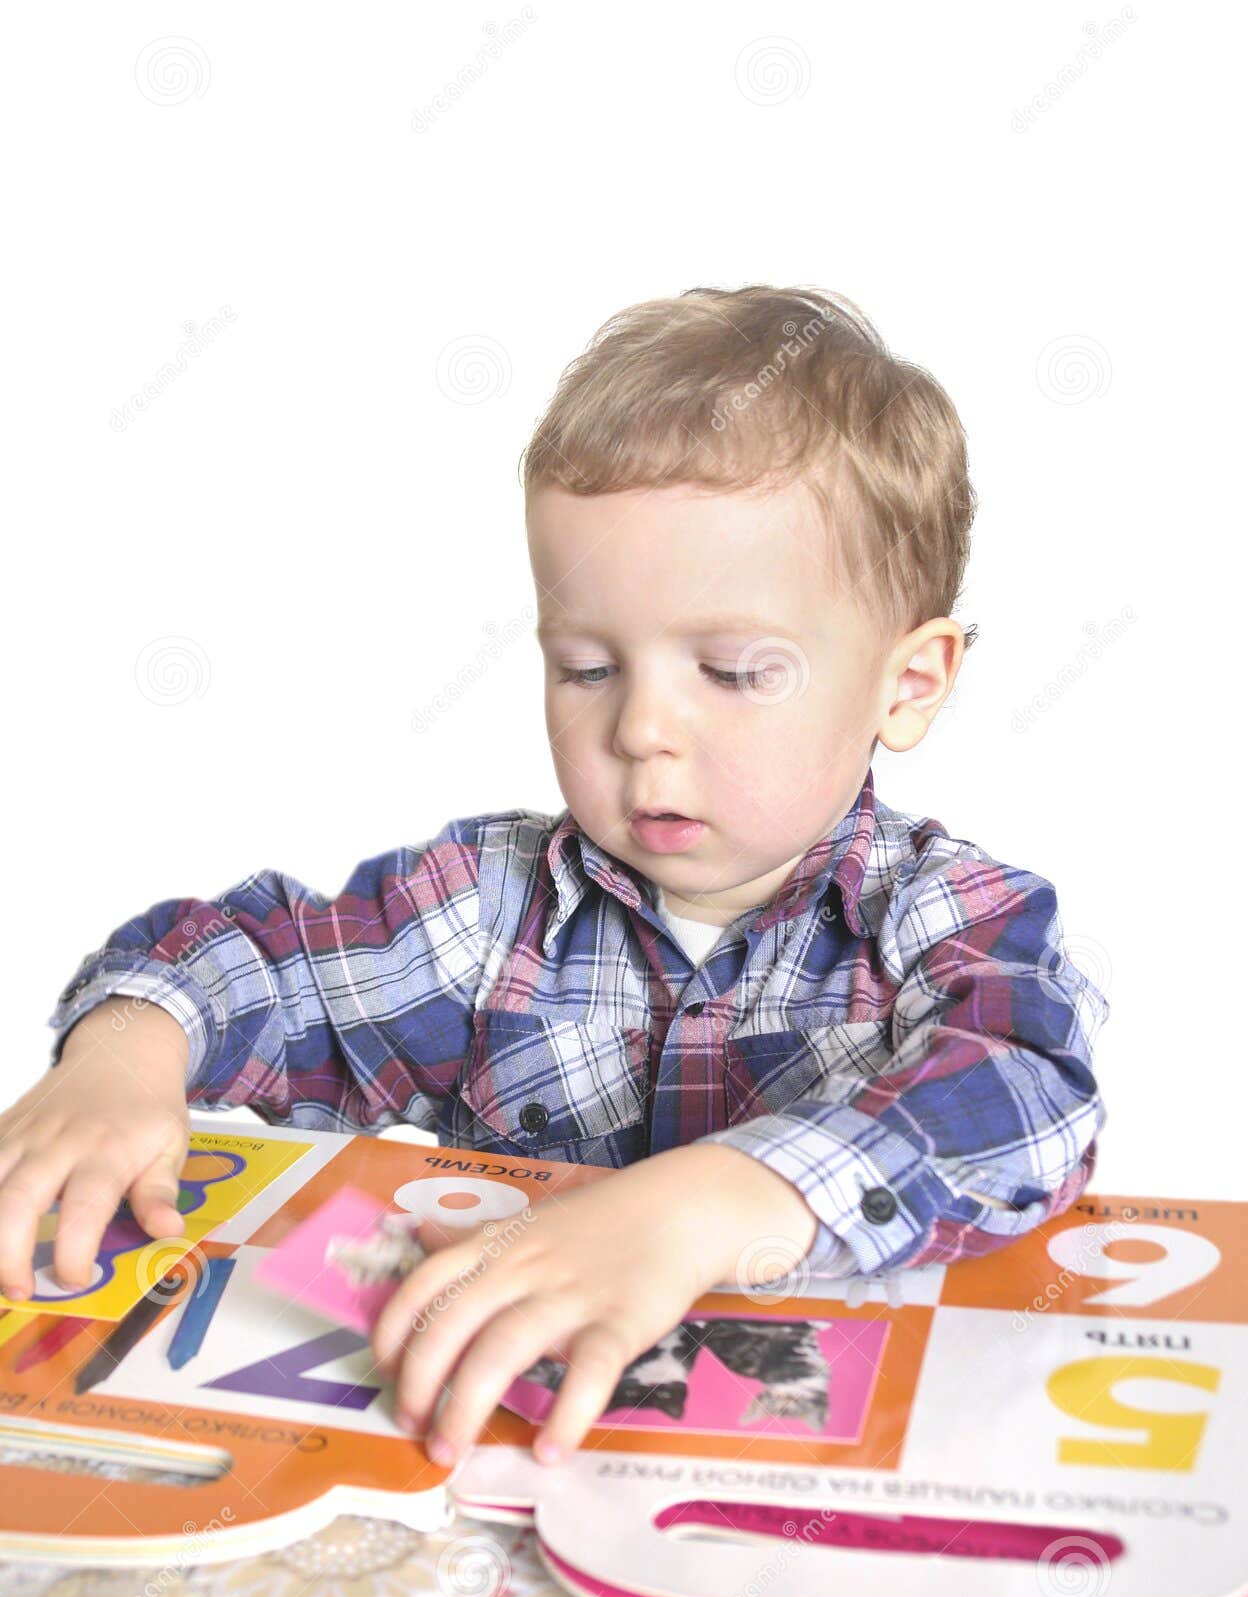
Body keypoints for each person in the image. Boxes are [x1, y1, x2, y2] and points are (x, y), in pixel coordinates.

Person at [0, 285, 1109, 1469]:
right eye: (587, 668)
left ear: (910, 684)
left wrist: (706, 1205)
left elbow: (1030, 1088)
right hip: (489, 1461)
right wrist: (125, 1052)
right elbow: (259, 961)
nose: (642, 730)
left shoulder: (948, 918)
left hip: (798, 1480)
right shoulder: (485, 907)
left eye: (731, 671)